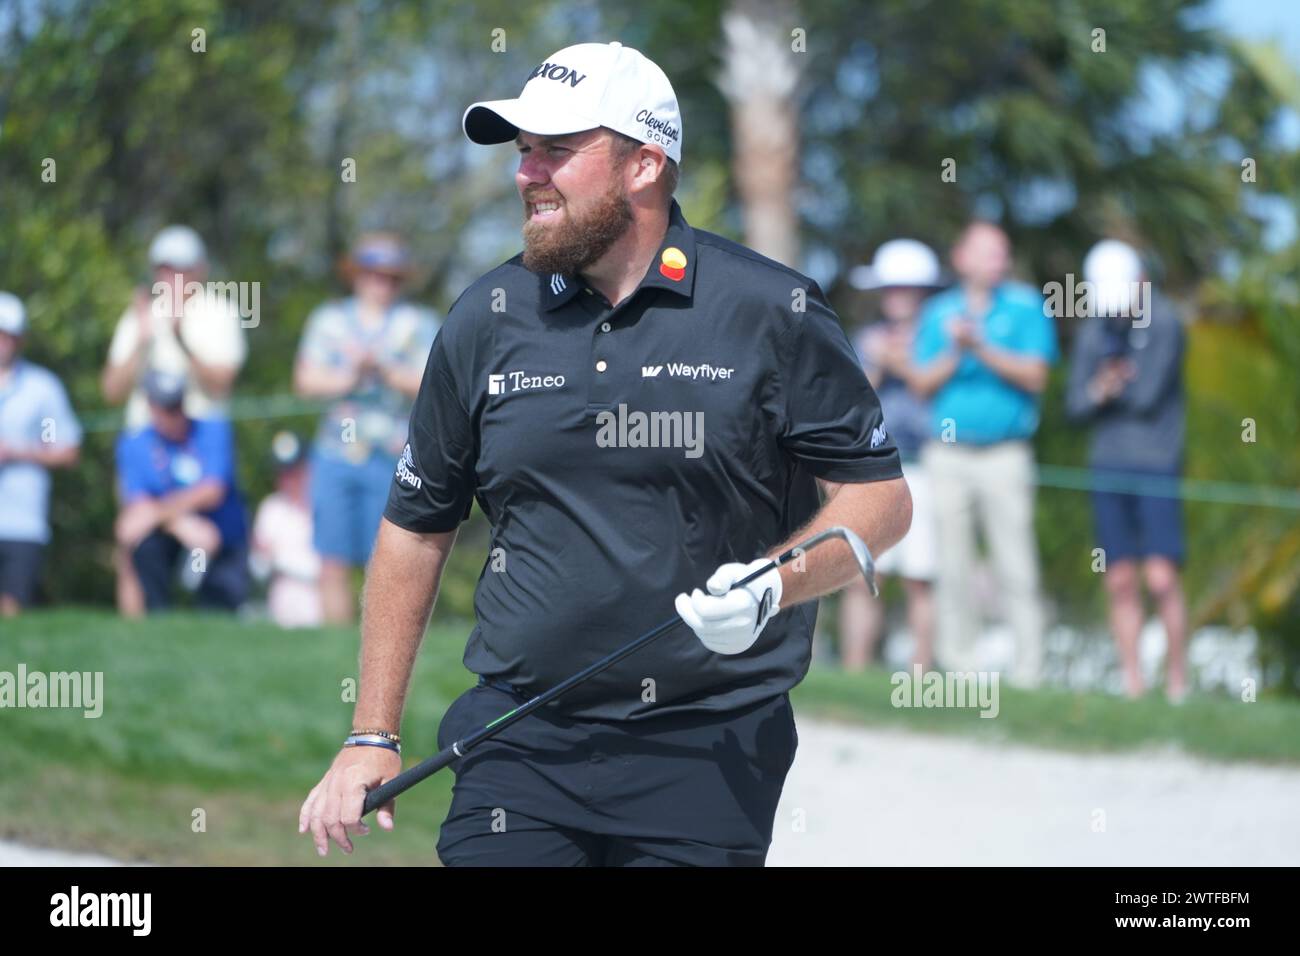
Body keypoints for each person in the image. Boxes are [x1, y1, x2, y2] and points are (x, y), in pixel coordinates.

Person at [299, 41, 911, 866]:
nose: (528, 173)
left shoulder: (772, 310)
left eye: (557, 150)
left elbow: (880, 499)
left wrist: (777, 583)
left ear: (644, 166)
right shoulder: (486, 317)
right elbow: (415, 526)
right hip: (518, 738)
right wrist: (371, 732)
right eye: (523, 153)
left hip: (708, 749)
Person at [912, 222, 1057, 687]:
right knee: (951, 564)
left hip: (1006, 455)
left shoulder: (1026, 306)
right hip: (948, 455)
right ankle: (960, 669)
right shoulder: (938, 313)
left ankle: (1029, 671)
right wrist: (957, 351)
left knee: (1016, 562)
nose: (998, 260)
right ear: (962, 258)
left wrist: (983, 348)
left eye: (1002, 252)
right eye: (988, 252)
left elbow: (1036, 376)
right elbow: (921, 384)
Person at [102, 225, 248, 614]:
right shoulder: (139, 317)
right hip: (144, 444)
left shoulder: (219, 311)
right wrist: (141, 339)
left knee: (214, 540)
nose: (172, 278)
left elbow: (221, 384)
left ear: (199, 270)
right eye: (165, 269)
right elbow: (112, 389)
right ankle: (135, 635)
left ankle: (207, 618)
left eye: (181, 269)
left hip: (200, 439)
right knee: (134, 537)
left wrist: (182, 336)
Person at [293, 233, 438, 624]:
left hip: (396, 456)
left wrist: (387, 372)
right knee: (332, 558)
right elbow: (305, 382)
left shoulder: (418, 323)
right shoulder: (330, 320)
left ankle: (378, 644)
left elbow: (438, 382)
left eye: (391, 277)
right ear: (357, 276)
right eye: (374, 274)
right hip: (336, 454)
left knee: (392, 562)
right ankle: (335, 646)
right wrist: (350, 377)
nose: (382, 284)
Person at [1066, 239, 1187, 701]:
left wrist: (1107, 387)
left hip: (1157, 467)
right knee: (1118, 578)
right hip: (1107, 467)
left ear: (1142, 281)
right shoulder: (1095, 329)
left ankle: (1177, 683)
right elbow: (1076, 403)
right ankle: (1132, 684)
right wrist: (1103, 388)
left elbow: (1148, 393)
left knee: (1161, 576)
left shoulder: (1166, 321)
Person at [840, 240, 943, 672]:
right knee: (864, 574)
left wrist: (902, 365)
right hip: (873, 468)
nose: (897, 296)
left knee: (921, 576)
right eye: (891, 288)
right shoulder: (866, 338)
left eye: (906, 288)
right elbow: (851, 398)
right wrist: (881, 364)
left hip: (925, 465)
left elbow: (933, 391)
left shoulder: (940, 335)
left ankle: (921, 672)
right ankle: (854, 669)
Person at [114, 370, 249, 613]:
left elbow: (212, 491)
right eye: (165, 408)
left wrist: (160, 513)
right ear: (150, 407)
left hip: (219, 541)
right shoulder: (134, 443)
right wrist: (180, 523)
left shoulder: (213, 430)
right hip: (178, 537)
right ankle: (152, 620)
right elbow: (137, 509)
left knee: (217, 605)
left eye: (176, 406)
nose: (172, 415)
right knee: (142, 544)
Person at [0, 292, 82, 615]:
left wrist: (16, 452)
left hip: (22, 521)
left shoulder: (42, 389)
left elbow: (65, 449)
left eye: (8, 335)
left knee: (11, 612)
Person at [250, 431, 323, 629]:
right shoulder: (271, 508)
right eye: (283, 473)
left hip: (318, 603)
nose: (288, 480)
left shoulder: (325, 507)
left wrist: (277, 560)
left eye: (294, 472)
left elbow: (324, 570)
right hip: (281, 602)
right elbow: (259, 569)